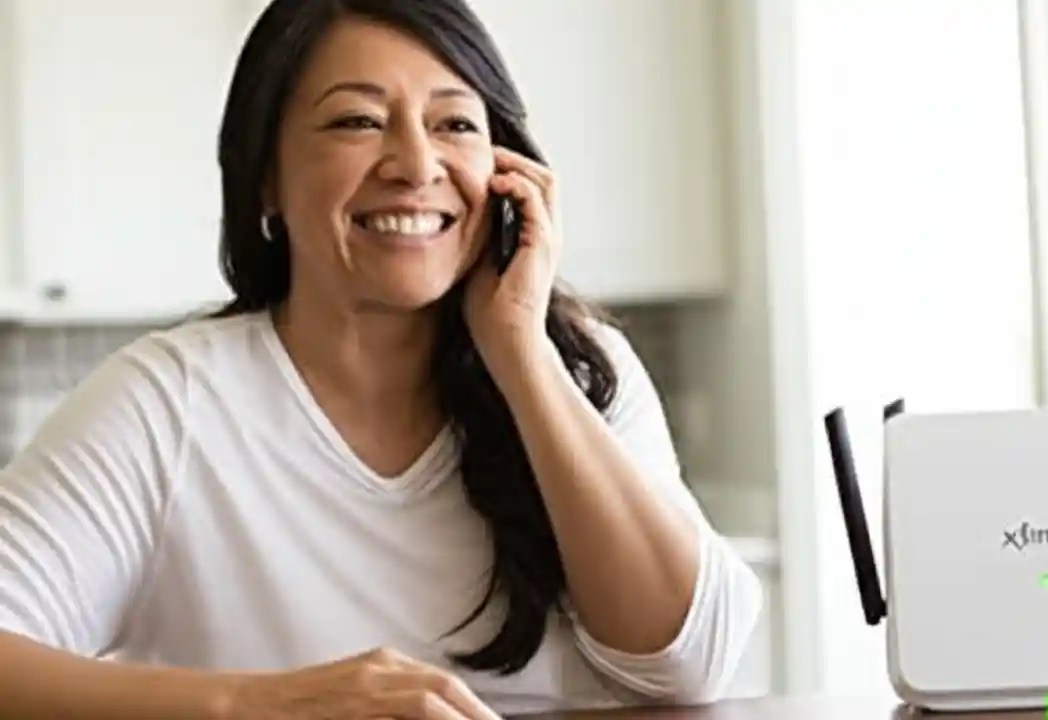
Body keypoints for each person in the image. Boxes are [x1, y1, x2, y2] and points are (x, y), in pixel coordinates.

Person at [0, 0, 763, 717]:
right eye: (357, 120)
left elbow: (688, 664)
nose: (415, 162)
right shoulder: (170, 405)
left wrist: (522, 356)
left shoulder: (580, 371)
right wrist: (259, 706)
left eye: (455, 124)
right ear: (266, 176)